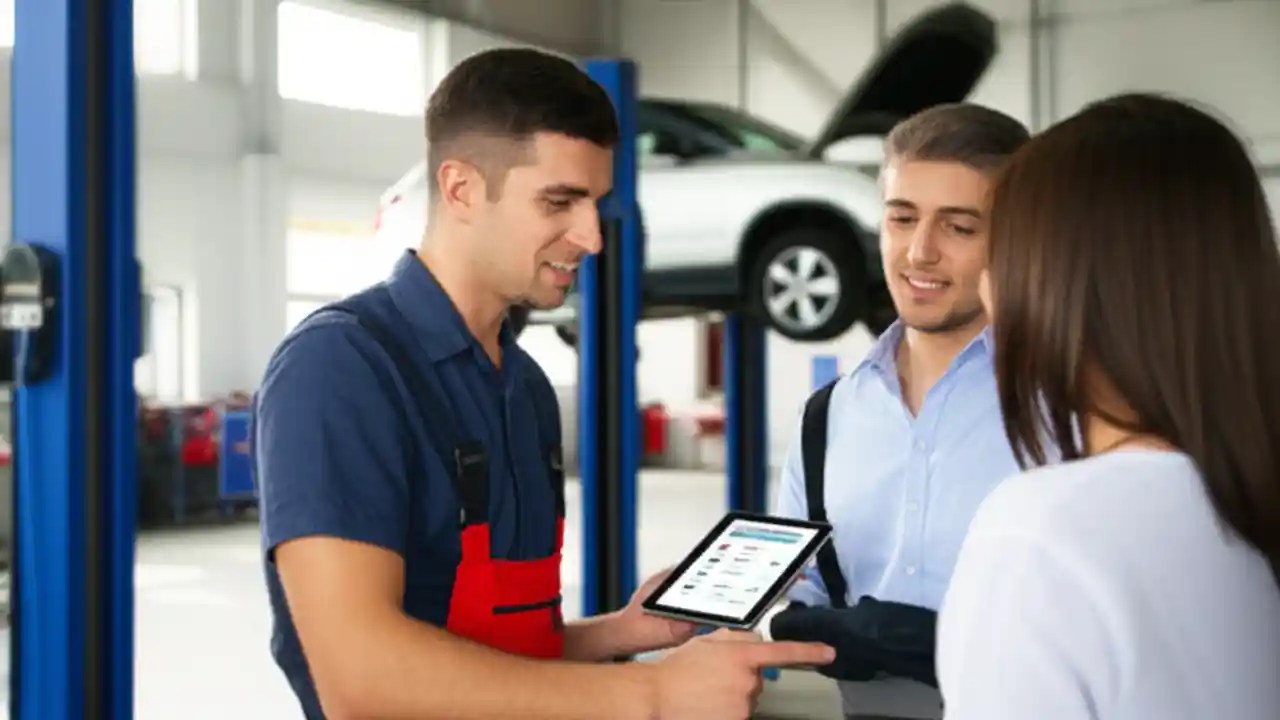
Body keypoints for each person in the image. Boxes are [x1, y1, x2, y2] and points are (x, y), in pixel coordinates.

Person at [252, 47, 833, 720]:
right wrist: (653, 694)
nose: (591, 237)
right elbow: (359, 679)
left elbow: (500, 649)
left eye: (596, 204)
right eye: (560, 201)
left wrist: (621, 631)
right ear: (462, 188)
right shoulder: (341, 368)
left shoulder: (522, 386)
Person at [936, 93, 1280, 718]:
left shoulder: (1041, 534)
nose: (988, 287)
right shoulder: (1246, 499)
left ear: (1058, 286)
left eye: (995, 253)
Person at [765, 103, 1031, 719]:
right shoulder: (825, 420)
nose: (919, 252)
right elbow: (796, 593)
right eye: (901, 219)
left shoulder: (1066, 411)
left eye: (959, 228)